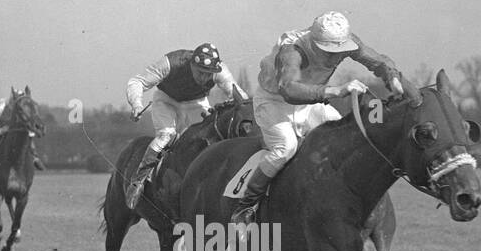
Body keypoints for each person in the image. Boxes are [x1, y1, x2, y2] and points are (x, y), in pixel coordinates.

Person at [230, 12, 419, 230]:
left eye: (338, 52)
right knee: (285, 147)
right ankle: (245, 206)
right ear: (314, 42)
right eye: (328, 52)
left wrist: (393, 77)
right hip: (274, 102)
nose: (334, 58)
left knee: (347, 135)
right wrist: (337, 90)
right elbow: (289, 89)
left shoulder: (347, 41)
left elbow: (378, 61)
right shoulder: (292, 51)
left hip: (309, 102)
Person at [124, 43, 249, 208]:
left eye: (208, 74)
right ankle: (138, 181)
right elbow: (137, 82)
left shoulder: (221, 71)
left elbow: (238, 94)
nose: (204, 78)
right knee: (166, 136)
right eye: (200, 72)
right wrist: (136, 105)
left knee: (210, 139)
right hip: (166, 101)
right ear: (191, 63)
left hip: (196, 103)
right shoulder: (172, 62)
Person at [0, 95, 46, 177]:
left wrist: (34, 130)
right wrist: (0, 130)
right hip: (0, 129)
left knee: (28, 137)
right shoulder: (0, 108)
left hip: (16, 131)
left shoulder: (24, 109)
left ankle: (35, 157)